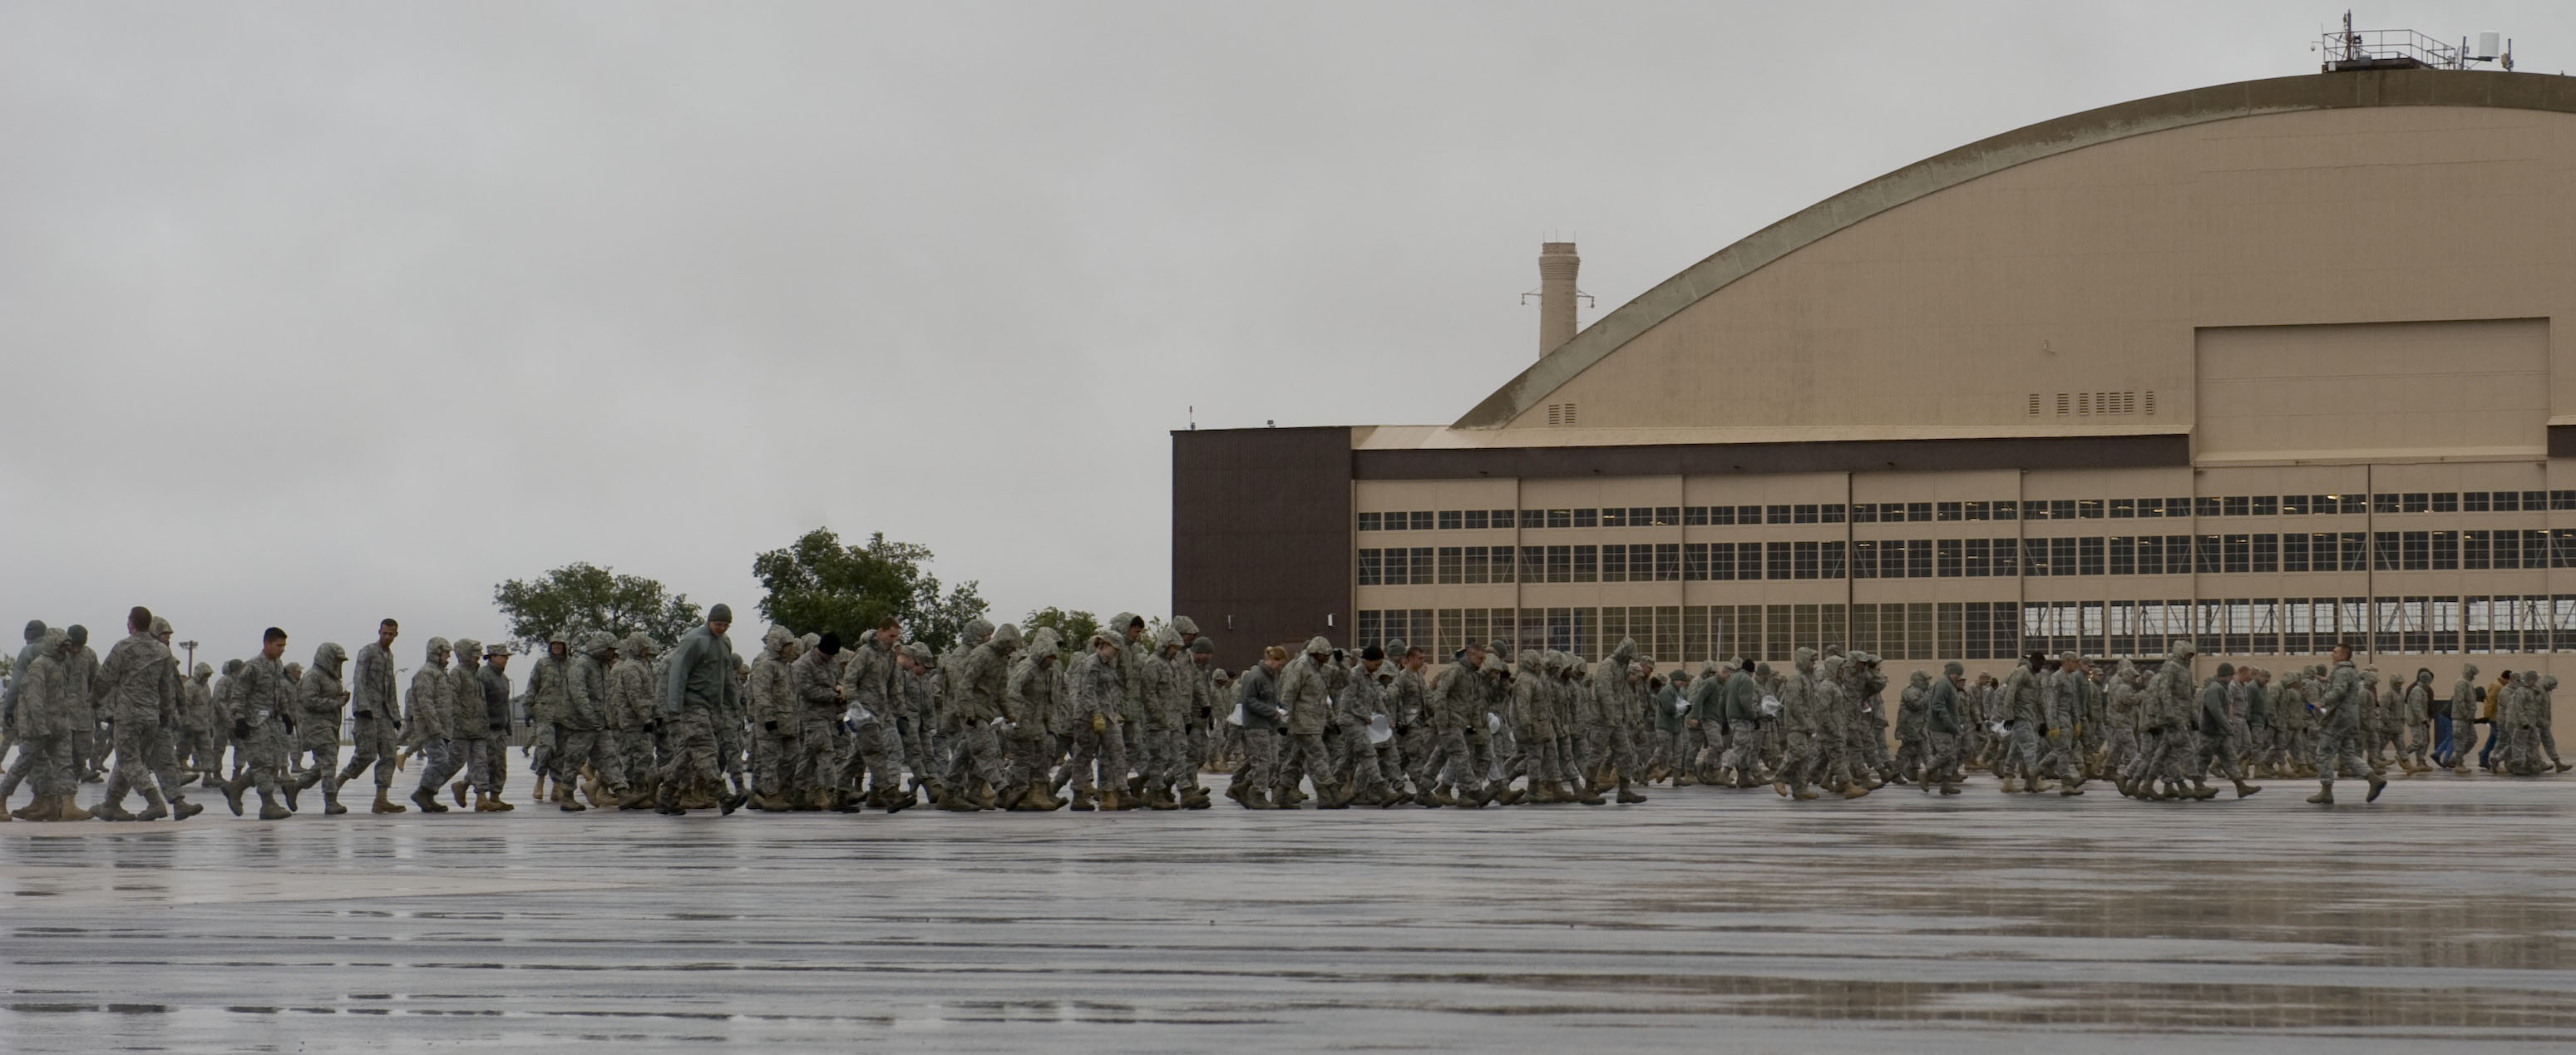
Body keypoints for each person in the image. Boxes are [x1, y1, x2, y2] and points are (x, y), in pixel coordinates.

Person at [92, 607, 199, 821]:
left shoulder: (123, 647)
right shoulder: (162, 652)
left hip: (129, 716)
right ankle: (111, 805)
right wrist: (168, 713)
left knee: (129, 761)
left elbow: (104, 680)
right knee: (132, 761)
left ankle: (154, 802)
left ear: (131, 624)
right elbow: (167, 687)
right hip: (153, 717)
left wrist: (95, 703)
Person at [656, 604, 745, 815]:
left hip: (712, 706)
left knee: (687, 754)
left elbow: (726, 675)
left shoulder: (724, 643)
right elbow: (679, 672)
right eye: (718, 624)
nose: (721, 628)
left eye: (726, 625)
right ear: (709, 621)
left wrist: (734, 702)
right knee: (706, 750)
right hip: (692, 704)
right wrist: (675, 706)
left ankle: (665, 796)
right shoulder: (694, 640)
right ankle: (723, 796)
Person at [220, 628, 298, 821]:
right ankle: (268, 804)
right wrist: (239, 720)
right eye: (279, 646)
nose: (282, 650)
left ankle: (235, 787)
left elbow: (278, 693)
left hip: (272, 722)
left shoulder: (277, 666)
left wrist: (286, 715)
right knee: (262, 763)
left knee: (270, 764)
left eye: (284, 646)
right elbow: (239, 695)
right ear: (267, 644)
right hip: (253, 723)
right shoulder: (253, 667)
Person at [1234, 646, 1286, 808]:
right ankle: (1258, 794)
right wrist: (1271, 711)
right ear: (1272, 660)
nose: (1281, 668)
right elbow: (1249, 700)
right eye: (1280, 664)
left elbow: (1272, 699)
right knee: (1262, 761)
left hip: (1269, 725)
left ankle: (1242, 788)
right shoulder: (1255, 676)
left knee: (1272, 762)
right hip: (1256, 725)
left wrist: (1281, 708)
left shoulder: (1271, 677)